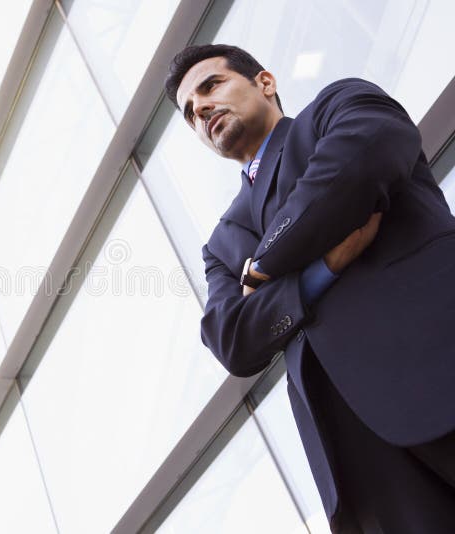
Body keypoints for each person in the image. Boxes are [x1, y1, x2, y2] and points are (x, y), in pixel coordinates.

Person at [164, 44, 455, 533]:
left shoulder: (338, 107)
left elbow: (355, 170)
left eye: (210, 86)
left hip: (438, 367)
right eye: (190, 113)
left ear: (265, 82)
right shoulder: (221, 243)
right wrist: (322, 265)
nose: (202, 109)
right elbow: (231, 338)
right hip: (361, 464)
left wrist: (261, 271)